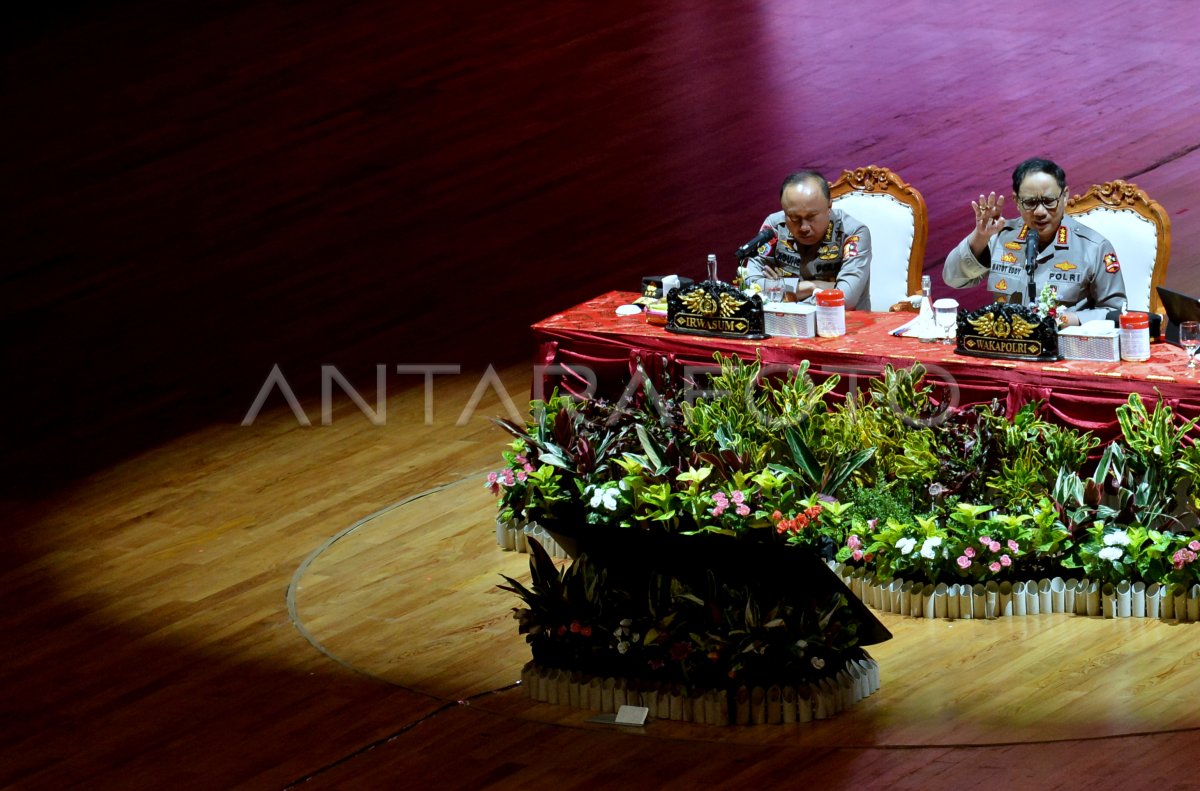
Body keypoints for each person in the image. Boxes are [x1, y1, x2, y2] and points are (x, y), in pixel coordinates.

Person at [943, 157, 1126, 326]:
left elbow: (1116, 312)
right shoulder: (1001, 237)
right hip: (1008, 347)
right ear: (1016, 201)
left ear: (1064, 196)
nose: (1039, 211)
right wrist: (980, 236)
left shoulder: (1094, 248)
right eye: (1030, 202)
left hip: (1062, 349)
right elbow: (953, 279)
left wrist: (1069, 319)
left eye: (1048, 201)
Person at [743, 170, 870, 309]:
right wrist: (812, 287)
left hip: (844, 324)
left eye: (811, 216)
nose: (804, 227)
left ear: (829, 206)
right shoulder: (774, 228)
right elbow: (749, 287)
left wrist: (780, 289)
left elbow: (845, 299)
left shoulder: (852, 232)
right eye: (794, 218)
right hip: (785, 325)